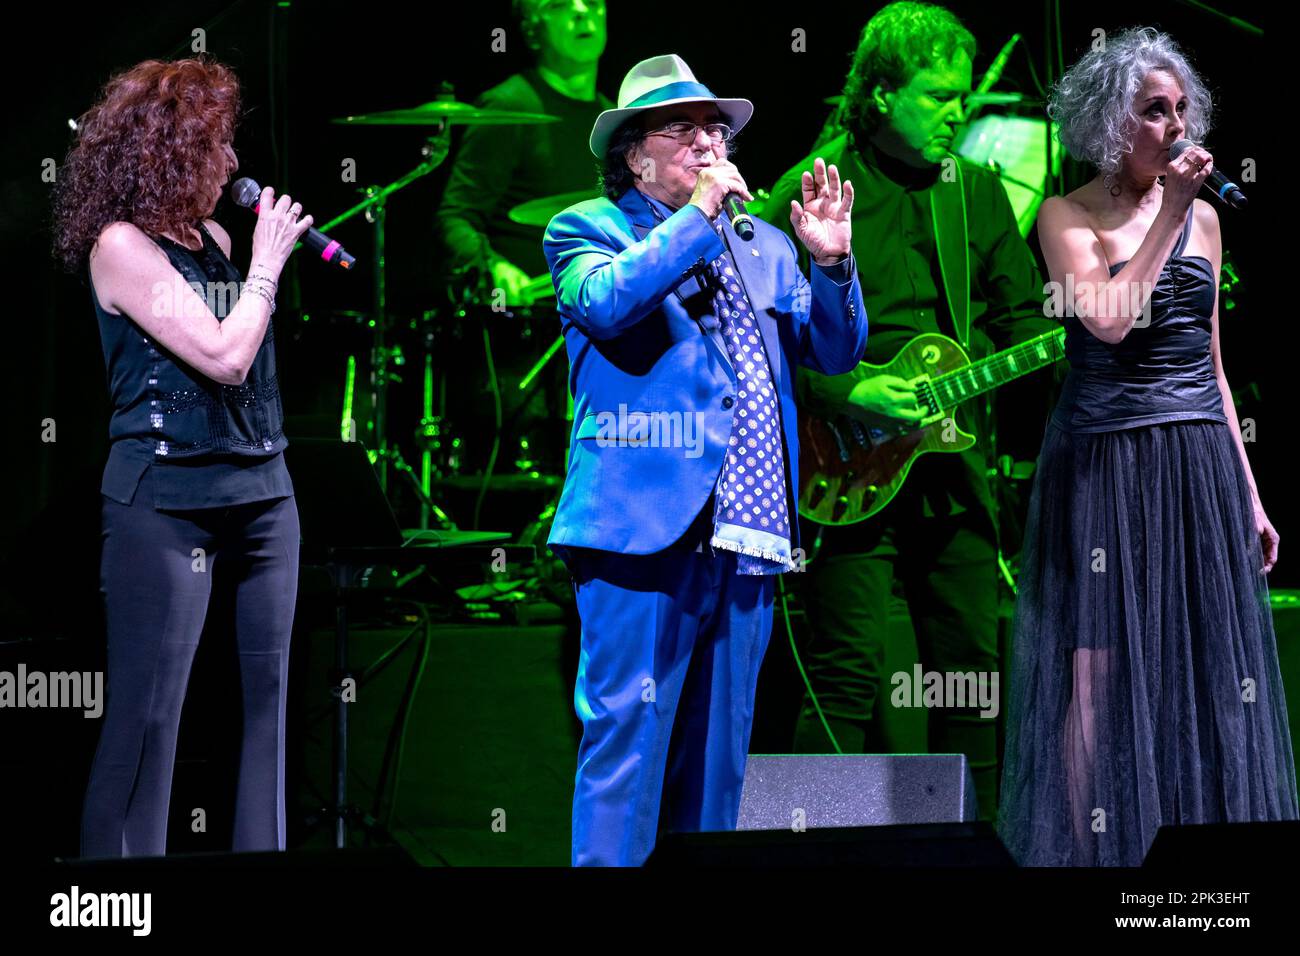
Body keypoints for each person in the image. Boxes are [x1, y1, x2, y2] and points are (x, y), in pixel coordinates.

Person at [544, 53, 867, 865]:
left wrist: (831, 264)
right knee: (628, 749)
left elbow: (833, 352)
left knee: (719, 767)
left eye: (716, 130)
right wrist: (694, 219)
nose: (707, 143)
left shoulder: (762, 244)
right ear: (633, 154)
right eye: (681, 129)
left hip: (750, 530)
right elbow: (609, 304)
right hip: (643, 533)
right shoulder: (587, 227)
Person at [997, 27, 1298, 866]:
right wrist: (1166, 211)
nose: (1173, 125)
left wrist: (1249, 490)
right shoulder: (1066, 215)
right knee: (1097, 670)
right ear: (1108, 123)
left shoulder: (1204, 220)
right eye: (1152, 111)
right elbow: (1107, 318)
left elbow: (1212, 362)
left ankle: (1196, 870)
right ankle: (1088, 856)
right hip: (1107, 460)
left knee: (1204, 667)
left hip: (1197, 457)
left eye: (1180, 109)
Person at [761, 1, 1053, 822]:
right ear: (882, 94)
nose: (958, 112)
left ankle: (976, 856)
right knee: (844, 677)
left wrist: (1084, 339)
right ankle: (813, 854)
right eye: (937, 96)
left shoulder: (976, 191)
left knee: (971, 675)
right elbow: (748, 337)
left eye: (962, 96)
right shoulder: (809, 187)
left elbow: (1020, 320)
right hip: (840, 471)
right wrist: (843, 390)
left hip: (949, 471)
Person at [53, 57, 314, 857]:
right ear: (170, 148)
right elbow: (224, 357)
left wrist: (253, 262)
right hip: (163, 502)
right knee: (150, 710)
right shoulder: (120, 248)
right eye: (218, 146)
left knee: (268, 704)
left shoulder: (214, 239)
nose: (234, 164)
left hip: (264, 495)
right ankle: (120, 896)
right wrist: (267, 267)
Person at [435, 0, 612, 303]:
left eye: (593, 3)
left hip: (602, 311)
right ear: (532, 32)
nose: (581, 11)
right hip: (530, 321)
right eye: (558, 6)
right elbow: (455, 218)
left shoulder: (612, 118)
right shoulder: (510, 107)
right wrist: (494, 266)